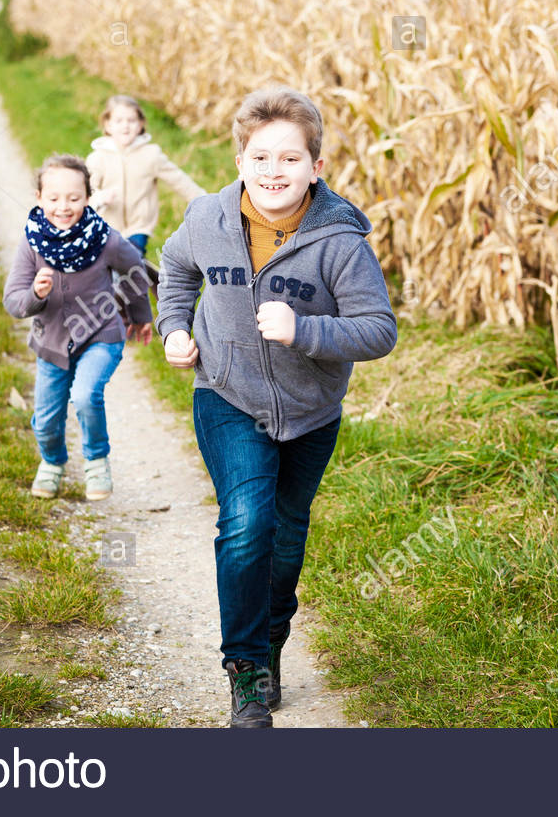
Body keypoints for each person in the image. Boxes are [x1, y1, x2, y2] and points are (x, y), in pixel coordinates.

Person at [155, 86, 397, 727]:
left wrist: (304, 330)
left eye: (289, 160)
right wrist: (175, 328)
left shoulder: (340, 242)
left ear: (316, 167)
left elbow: (378, 330)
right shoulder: (207, 218)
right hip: (226, 394)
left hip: (311, 411)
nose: (273, 172)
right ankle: (246, 670)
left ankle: (271, 644)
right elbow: (174, 267)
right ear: (240, 161)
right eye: (260, 158)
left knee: (286, 536)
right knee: (245, 523)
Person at [3, 154, 153, 501]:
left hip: (101, 335)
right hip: (51, 342)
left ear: (88, 197)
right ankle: (52, 463)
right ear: (39, 198)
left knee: (86, 396)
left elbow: (135, 272)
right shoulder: (32, 243)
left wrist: (141, 316)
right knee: (45, 419)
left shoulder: (106, 239)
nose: (63, 206)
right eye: (53, 198)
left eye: (73, 197)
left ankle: (97, 461)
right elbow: (13, 300)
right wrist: (35, 295)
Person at [86, 94, 208, 256]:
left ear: (140, 124)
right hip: (107, 225)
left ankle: (132, 277)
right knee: (107, 265)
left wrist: (206, 202)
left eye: (131, 120)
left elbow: (179, 180)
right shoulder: (98, 158)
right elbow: (87, 190)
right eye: (119, 121)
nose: (125, 126)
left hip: (139, 227)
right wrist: (100, 197)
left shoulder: (151, 155)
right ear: (108, 125)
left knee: (130, 258)